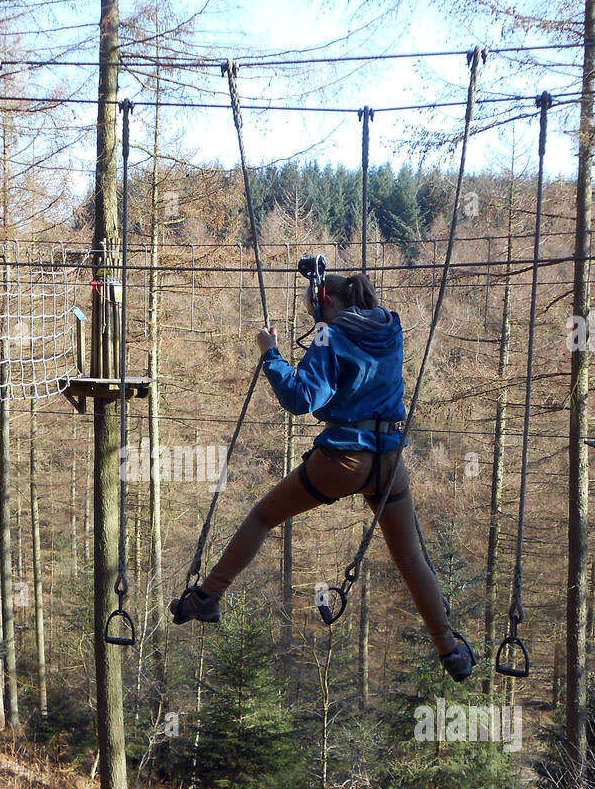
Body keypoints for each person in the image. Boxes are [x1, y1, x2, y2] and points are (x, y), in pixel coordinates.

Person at [170, 267, 474, 682]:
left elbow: (300, 399)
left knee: (262, 517)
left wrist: (270, 353)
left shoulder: (330, 335)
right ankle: (450, 650)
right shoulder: (392, 327)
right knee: (410, 557)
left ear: (325, 301)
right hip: (388, 459)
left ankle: (208, 596)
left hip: (343, 460)